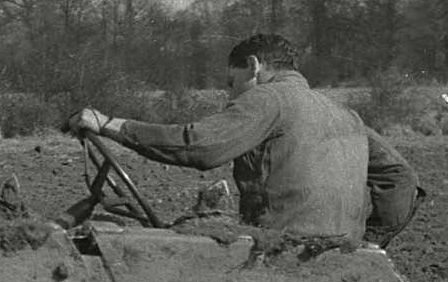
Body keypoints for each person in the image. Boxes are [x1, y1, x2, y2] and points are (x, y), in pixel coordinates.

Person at [69, 33, 421, 246]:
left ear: (253, 66)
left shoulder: (269, 98)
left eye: (232, 83)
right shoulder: (342, 112)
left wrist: (110, 124)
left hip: (278, 250)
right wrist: (367, 244)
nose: (231, 96)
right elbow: (400, 177)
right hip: (332, 251)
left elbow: (200, 146)